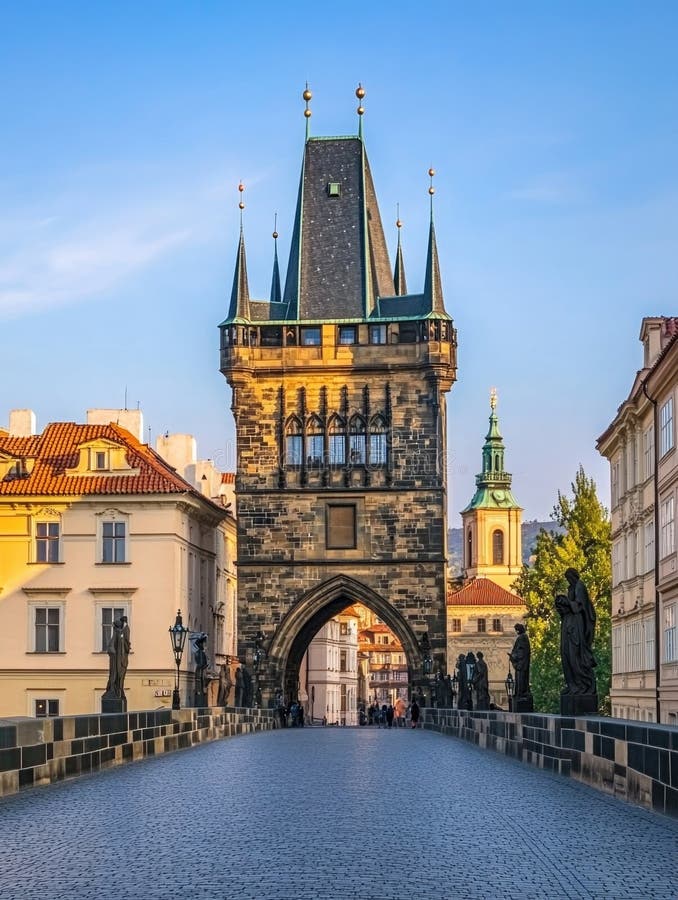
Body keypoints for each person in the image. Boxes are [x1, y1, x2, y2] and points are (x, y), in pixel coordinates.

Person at [557, 568, 597, 694]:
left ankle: (582, 684)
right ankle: (572, 685)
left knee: (574, 654)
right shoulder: (571, 587)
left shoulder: (580, 586)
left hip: (576, 624)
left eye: (569, 578)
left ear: (574, 576)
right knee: (566, 653)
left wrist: (567, 602)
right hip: (568, 622)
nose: (568, 580)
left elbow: (579, 605)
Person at [508, 624, 531, 700]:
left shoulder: (522, 637)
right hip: (521, 663)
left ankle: (520, 694)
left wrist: (513, 656)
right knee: (520, 679)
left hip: (521, 664)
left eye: (517, 629)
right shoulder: (523, 637)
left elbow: (521, 651)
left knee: (520, 679)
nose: (516, 631)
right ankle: (520, 694)